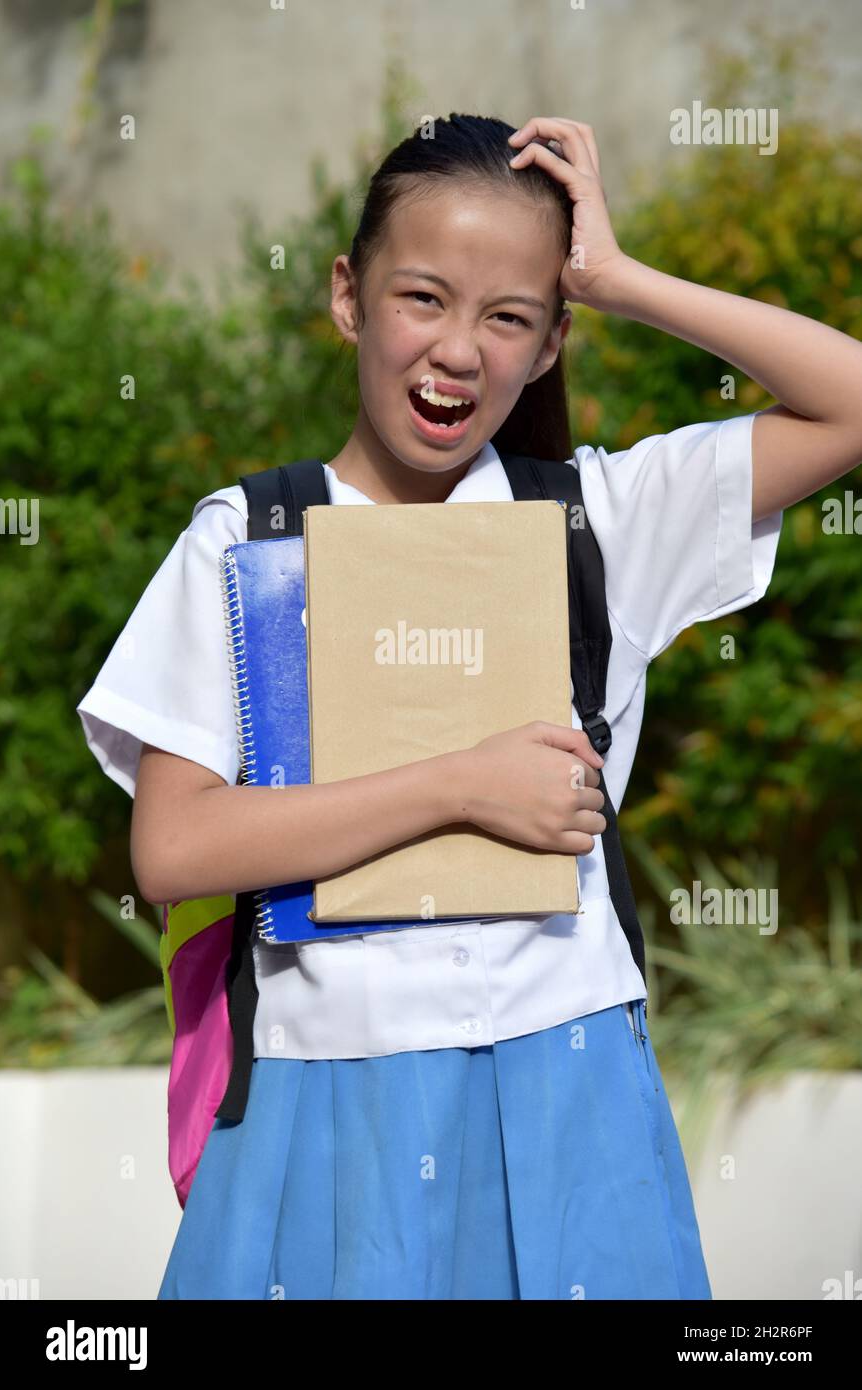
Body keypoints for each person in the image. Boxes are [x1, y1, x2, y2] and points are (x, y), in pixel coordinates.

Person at [76, 112, 862, 1300]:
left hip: (572, 1092)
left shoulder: (599, 521)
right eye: (422, 298)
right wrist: (459, 784)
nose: (458, 350)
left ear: (550, 344)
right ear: (346, 295)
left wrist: (618, 279)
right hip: (322, 1101)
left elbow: (846, 406)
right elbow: (176, 848)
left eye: (510, 316)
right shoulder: (249, 543)